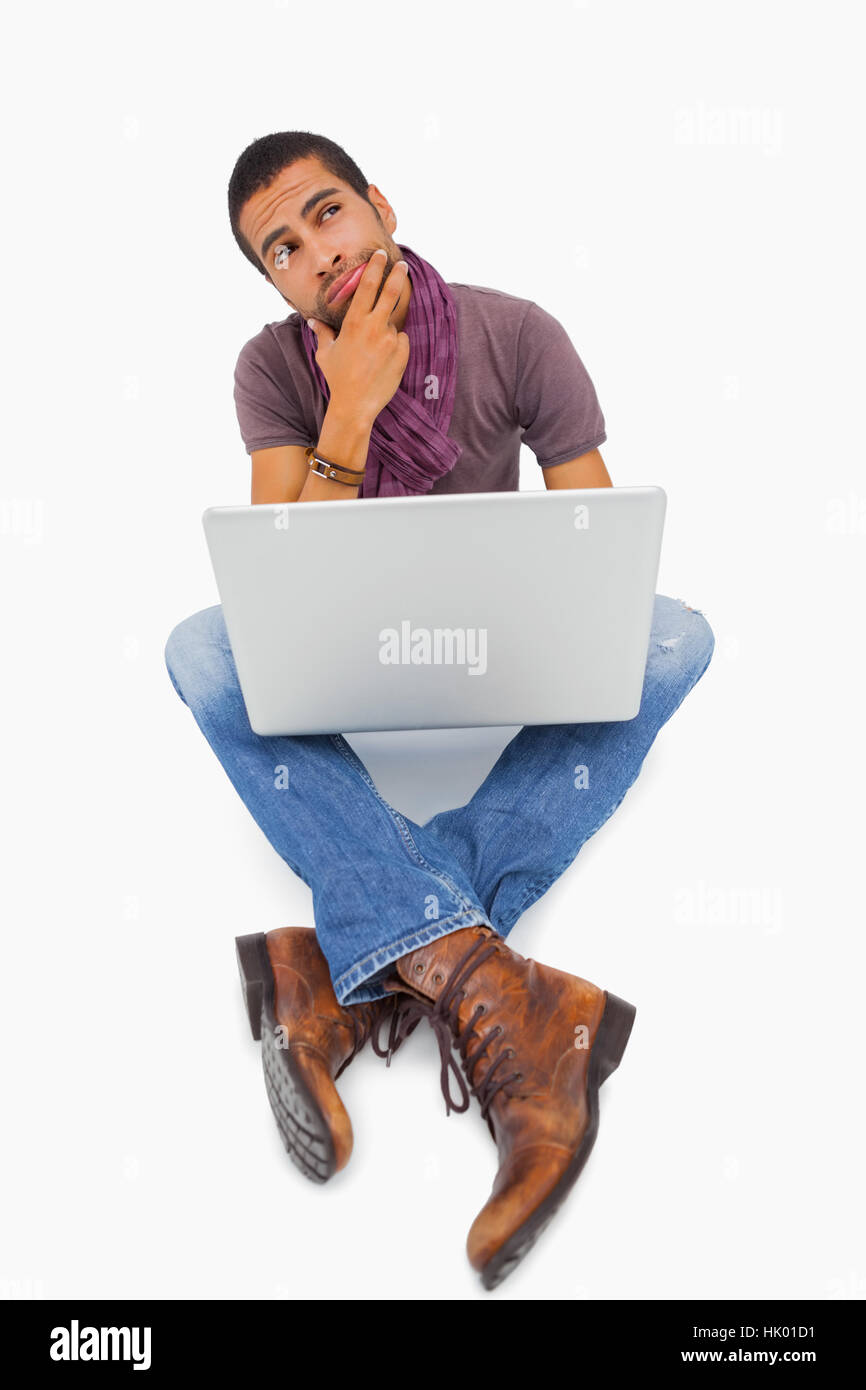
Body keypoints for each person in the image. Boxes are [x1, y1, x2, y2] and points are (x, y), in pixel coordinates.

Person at [165, 131, 715, 1291]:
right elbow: (276, 591)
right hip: (345, 667)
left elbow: (596, 555)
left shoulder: (517, 331)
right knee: (202, 654)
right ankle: (498, 992)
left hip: (493, 653)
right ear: (270, 279)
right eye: (283, 245)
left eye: (327, 213)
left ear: (379, 204)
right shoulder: (270, 372)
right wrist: (349, 413)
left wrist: (566, 621)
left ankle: (340, 974)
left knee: (675, 635)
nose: (317, 251)